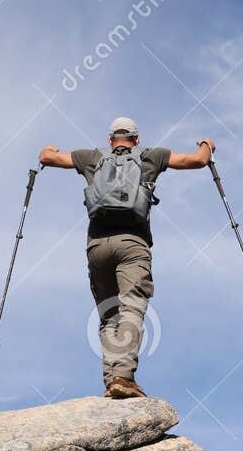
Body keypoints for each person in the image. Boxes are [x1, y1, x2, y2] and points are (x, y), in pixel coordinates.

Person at [39, 117, 215, 398]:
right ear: (136, 139)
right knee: (132, 307)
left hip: (97, 247)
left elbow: (47, 158)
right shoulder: (152, 157)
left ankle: (112, 381)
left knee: (109, 314)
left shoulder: (92, 158)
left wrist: (50, 148)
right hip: (133, 244)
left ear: (110, 140)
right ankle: (123, 377)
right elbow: (197, 160)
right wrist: (208, 145)